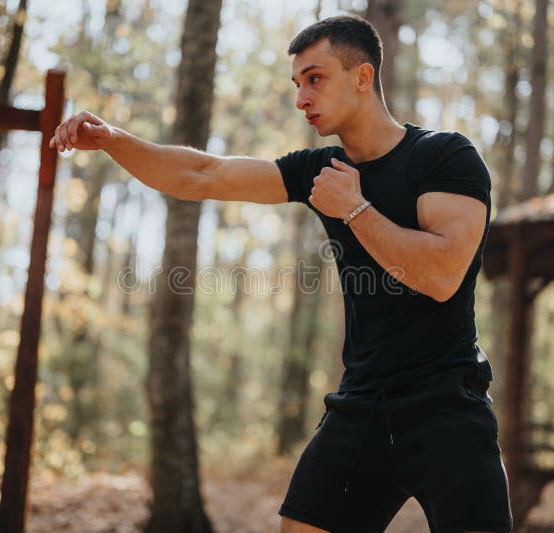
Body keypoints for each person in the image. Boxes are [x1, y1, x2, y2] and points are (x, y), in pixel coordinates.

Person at [50, 14, 512, 533]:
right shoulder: (319, 169)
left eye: (315, 78)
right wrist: (113, 139)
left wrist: (355, 209)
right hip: (364, 401)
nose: (301, 98)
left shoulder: (444, 156)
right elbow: (204, 174)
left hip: (447, 401)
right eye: (297, 84)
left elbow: (441, 274)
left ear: (362, 77)